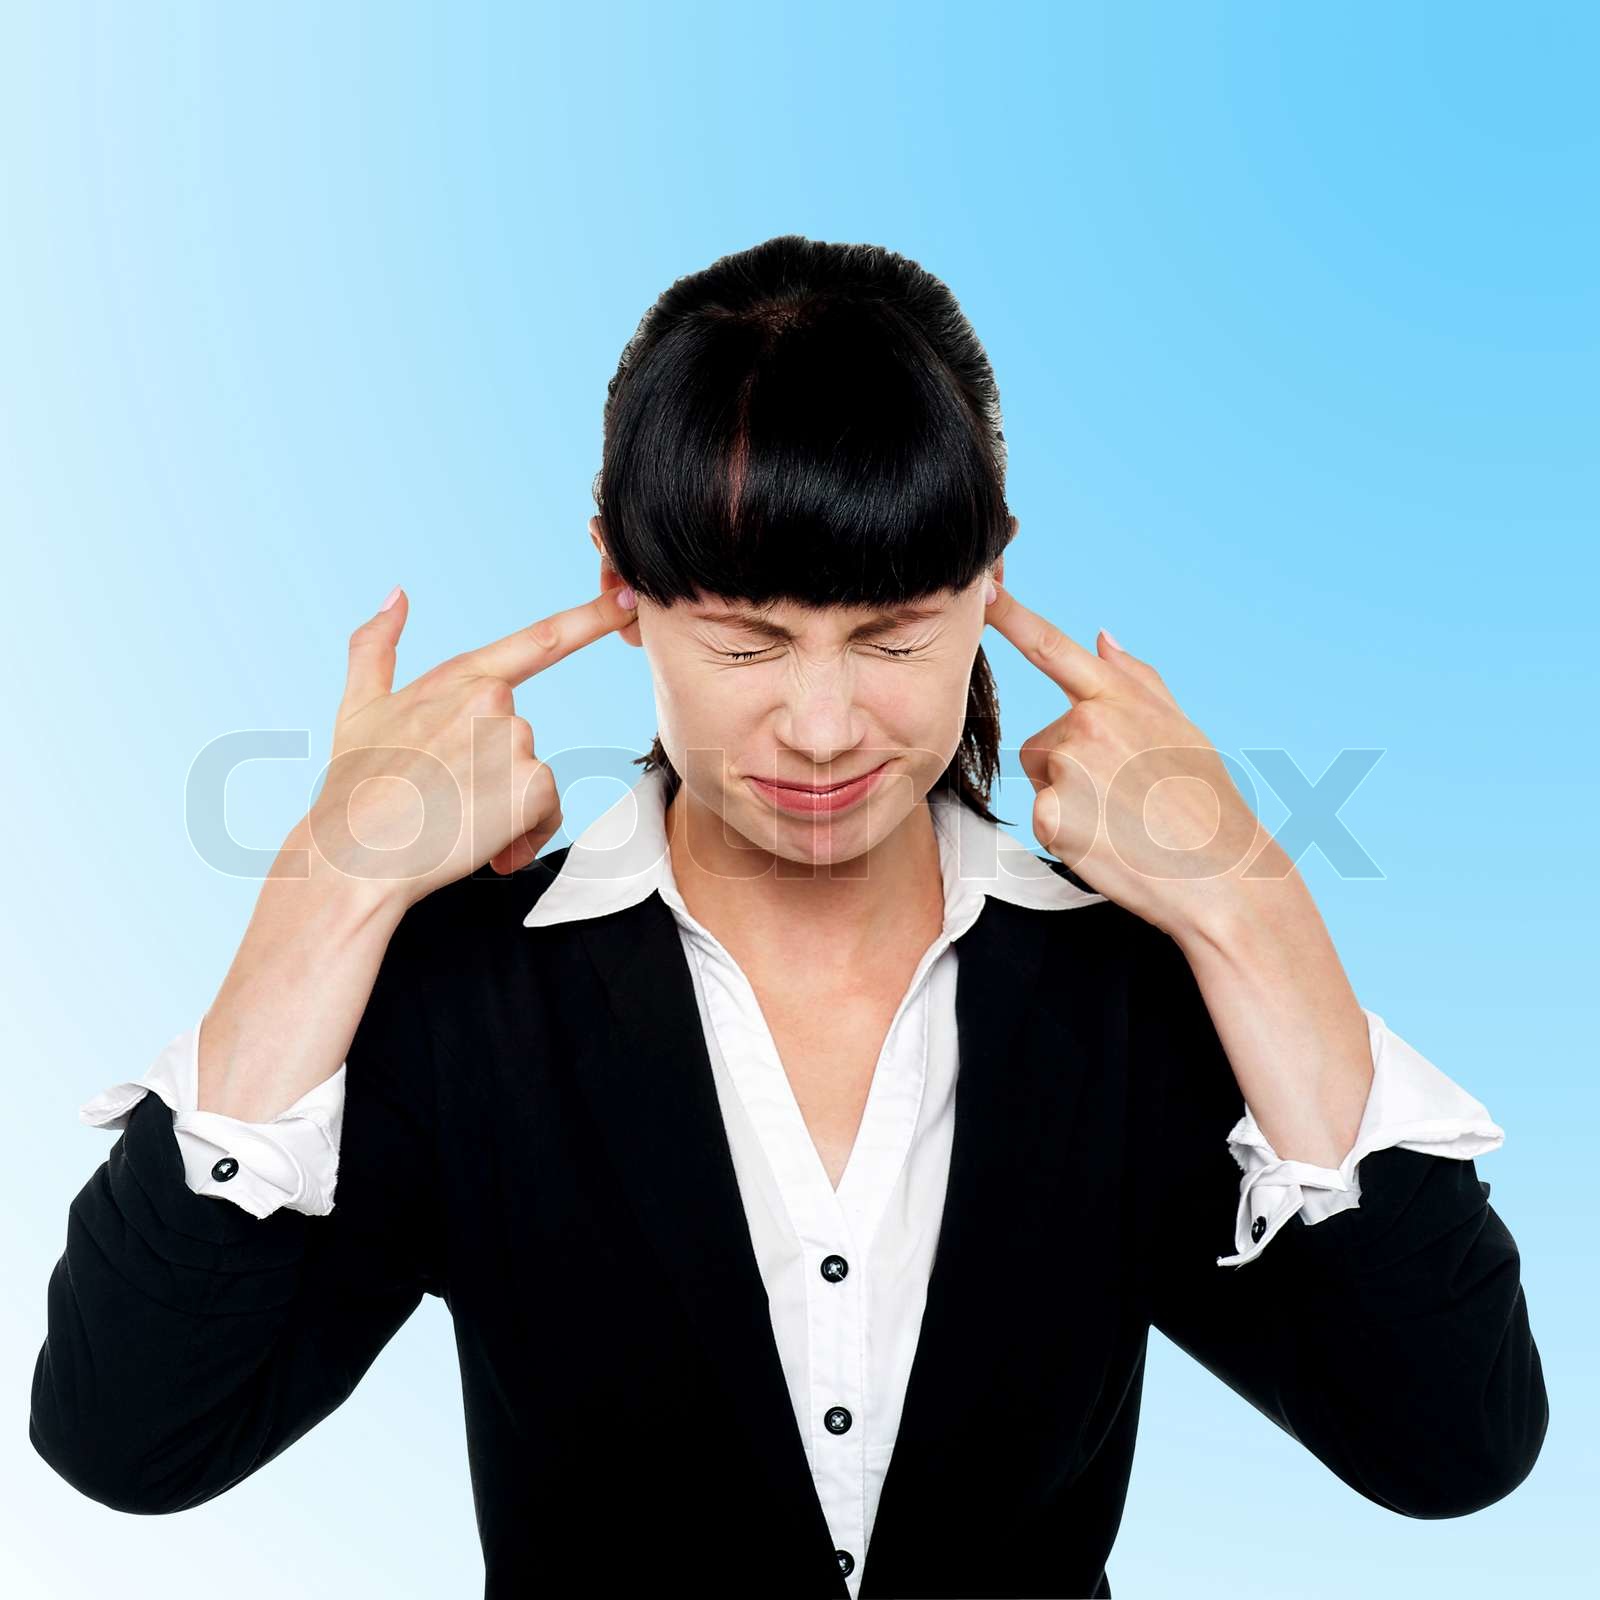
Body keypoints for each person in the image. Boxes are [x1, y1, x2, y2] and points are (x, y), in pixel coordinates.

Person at [29, 235, 1547, 1599]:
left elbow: (1450, 1446)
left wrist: (1249, 903)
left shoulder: (1131, 996)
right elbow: (130, 1439)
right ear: (622, 589)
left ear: (989, 584)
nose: (823, 729)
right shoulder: (469, 999)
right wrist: (333, 882)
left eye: (893, 636)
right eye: (747, 645)